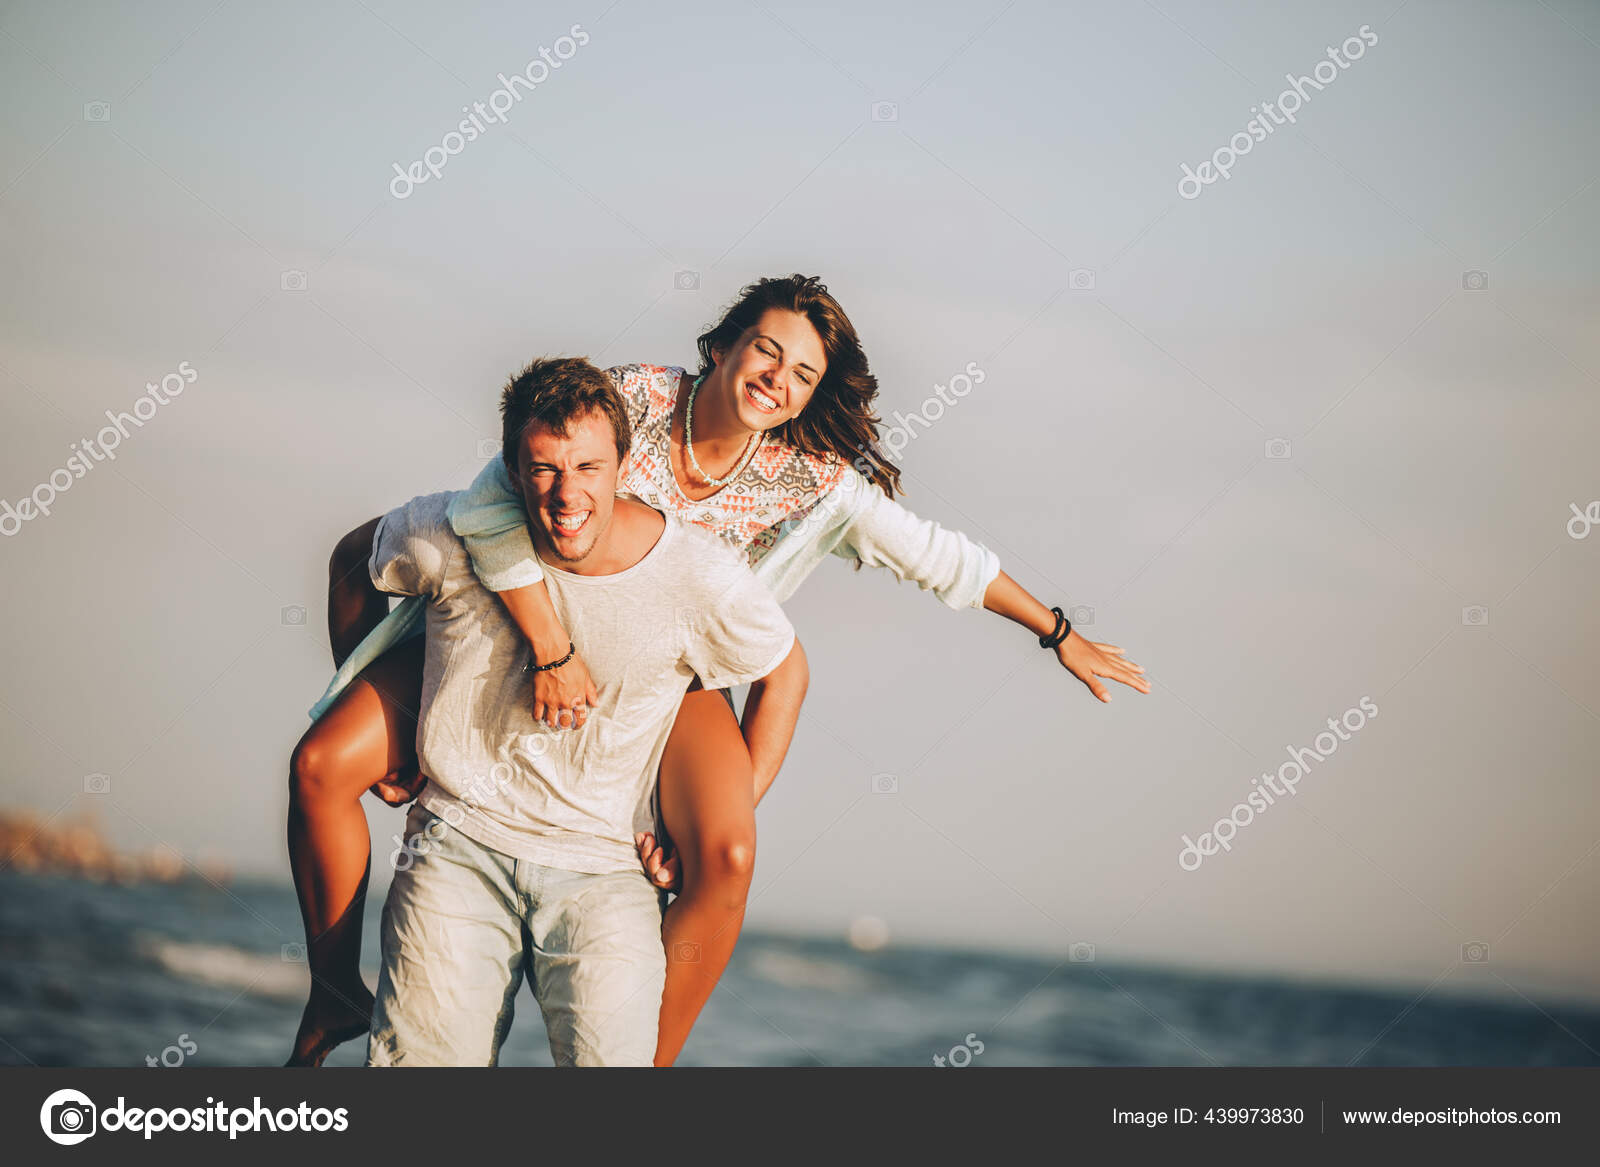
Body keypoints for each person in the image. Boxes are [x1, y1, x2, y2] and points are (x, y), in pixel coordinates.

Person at [287, 274, 1149, 1067]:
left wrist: (1055, 629)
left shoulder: (812, 479)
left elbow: (936, 557)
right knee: (322, 761)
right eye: (767, 350)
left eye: (804, 373)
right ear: (723, 345)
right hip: (522, 619)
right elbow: (488, 501)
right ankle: (333, 990)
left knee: (727, 853)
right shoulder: (629, 398)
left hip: (671, 668)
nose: (779, 378)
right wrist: (546, 645)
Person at [350, 356, 802, 1064]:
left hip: (606, 868)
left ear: (623, 463)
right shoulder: (449, 533)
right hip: (457, 843)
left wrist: (723, 813)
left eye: (589, 467)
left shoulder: (693, 572)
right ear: (510, 469)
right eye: (543, 469)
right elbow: (354, 563)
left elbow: (785, 671)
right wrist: (388, 718)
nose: (567, 493)